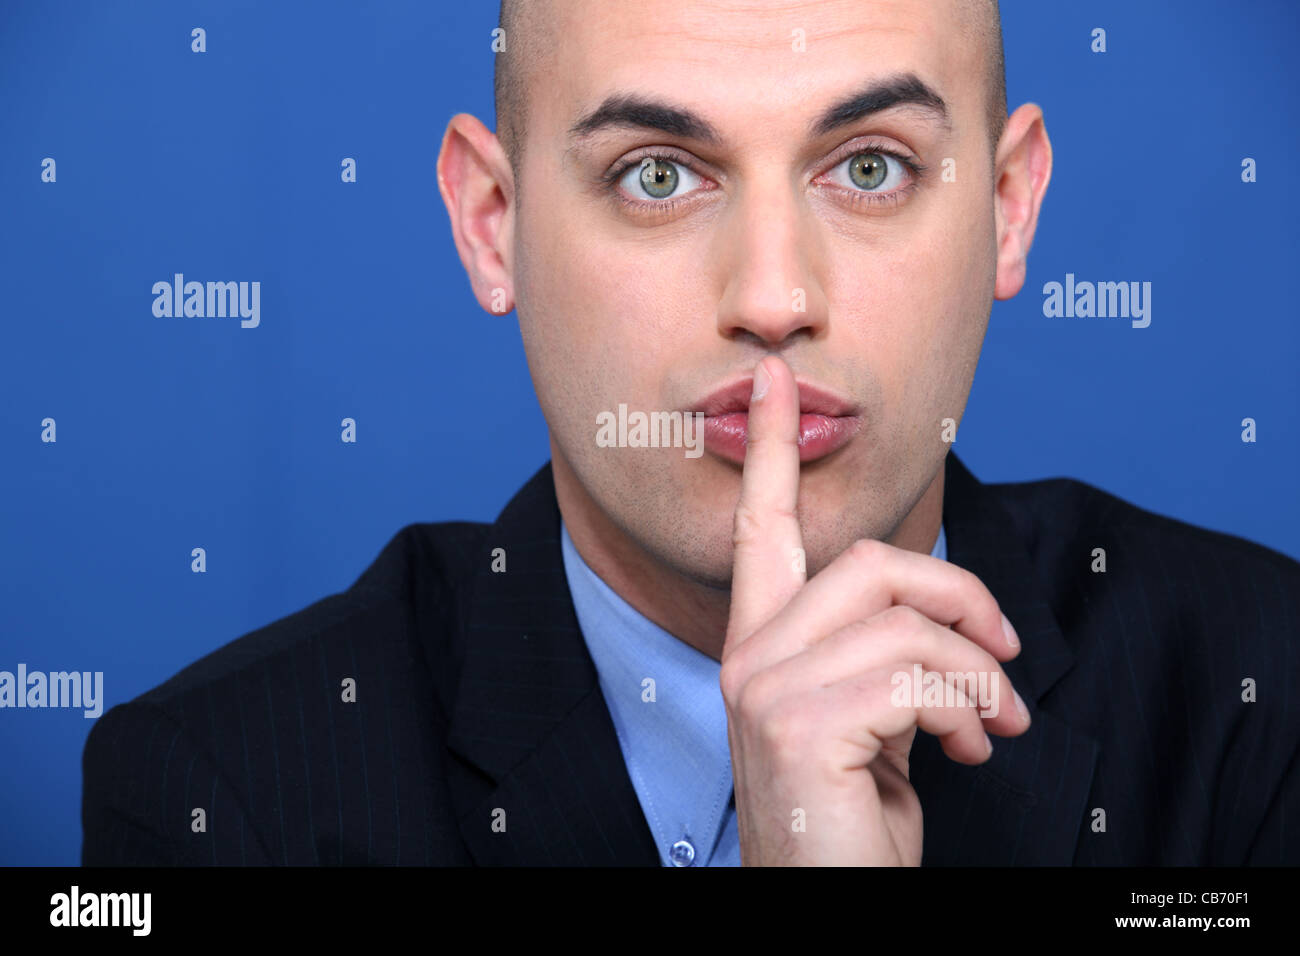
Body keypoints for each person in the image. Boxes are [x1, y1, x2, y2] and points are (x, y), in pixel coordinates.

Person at [82, 0, 1299, 866]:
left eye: (868, 167)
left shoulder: (1261, 703)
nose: (772, 297)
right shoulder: (223, 794)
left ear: (1005, 206)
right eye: (658, 175)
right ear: (492, 225)